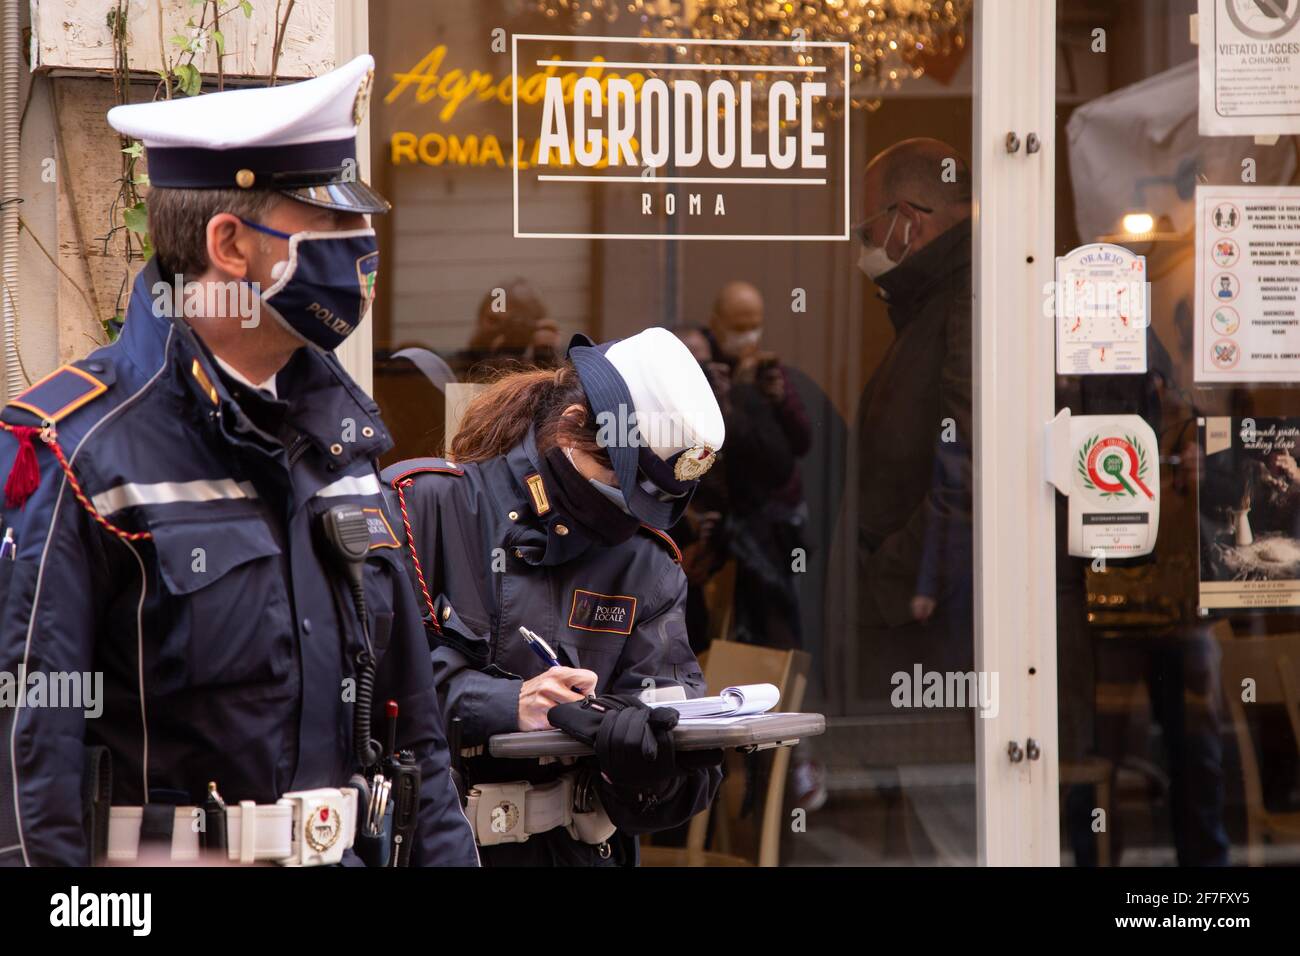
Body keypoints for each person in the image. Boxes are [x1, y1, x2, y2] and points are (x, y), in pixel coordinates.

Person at [0, 56, 477, 867]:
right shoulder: (75, 450)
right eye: (330, 225)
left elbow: (419, 738)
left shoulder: (344, 448)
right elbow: (24, 765)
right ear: (230, 245)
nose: (363, 249)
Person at [383, 327, 725, 865]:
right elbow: (361, 697)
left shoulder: (647, 565)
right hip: (433, 847)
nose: (626, 516)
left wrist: (644, 770)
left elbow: (689, 782)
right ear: (570, 429)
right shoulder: (421, 507)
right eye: (621, 488)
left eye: (646, 505)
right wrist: (507, 705)